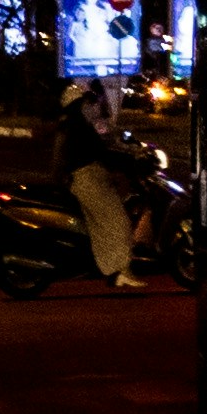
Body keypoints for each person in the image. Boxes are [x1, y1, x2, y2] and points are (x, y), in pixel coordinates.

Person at [60, 70, 161, 290]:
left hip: (89, 179)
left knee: (103, 227)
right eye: (85, 103)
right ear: (78, 106)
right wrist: (128, 162)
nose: (90, 106)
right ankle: (121, 271)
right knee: (120, 223)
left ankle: (114, 269)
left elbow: (104, 148)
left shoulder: (78, 127)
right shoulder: (79, 129)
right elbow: (102, 154)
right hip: (89, 180)